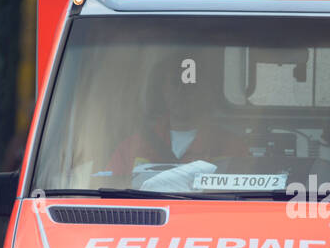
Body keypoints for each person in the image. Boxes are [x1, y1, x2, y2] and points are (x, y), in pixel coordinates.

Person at [105, 54, 249, 181]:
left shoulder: (233, 148)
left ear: (206, 90)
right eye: (175, 83)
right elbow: (107, 194)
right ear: (162, 90)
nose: (182, 91)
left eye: (190, 84)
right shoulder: (130, 148)